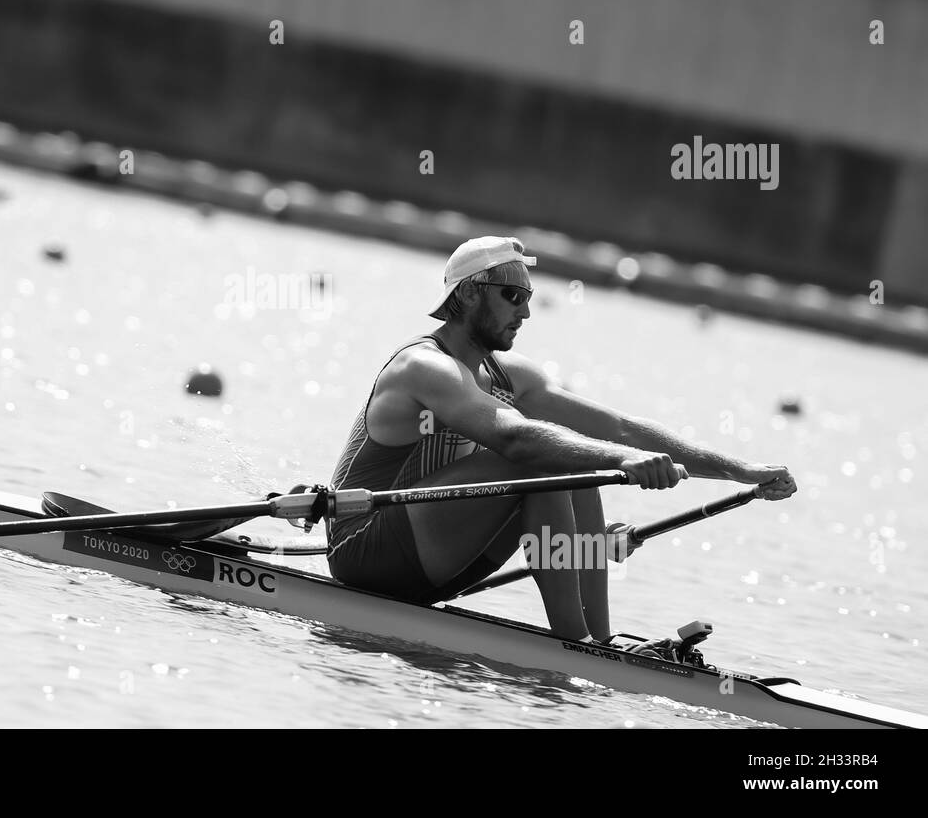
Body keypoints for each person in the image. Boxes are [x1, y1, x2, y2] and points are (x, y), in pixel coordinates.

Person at [325, 235, 796, 642]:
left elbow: (620, 428)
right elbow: (518, 441)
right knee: (543, 455)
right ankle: (577, 643)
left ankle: (599, 640)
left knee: (571, 452)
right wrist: (628, 461)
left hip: (433, 562)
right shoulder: (425, 367)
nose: (526, 311)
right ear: (468, 295)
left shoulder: (509, 374)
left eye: (528, 296)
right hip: (365, 551)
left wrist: (740, 470)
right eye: (512, 294)